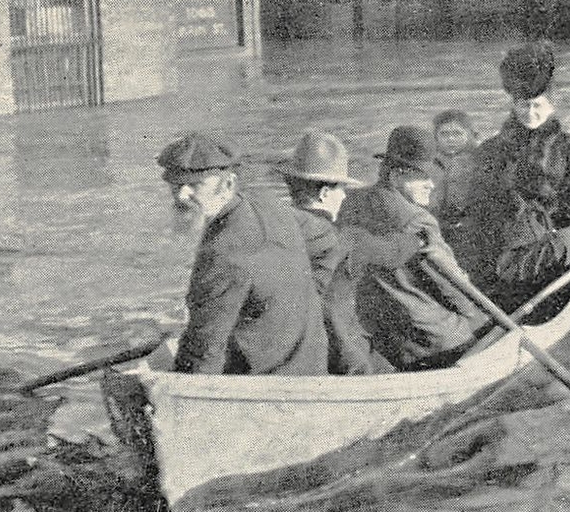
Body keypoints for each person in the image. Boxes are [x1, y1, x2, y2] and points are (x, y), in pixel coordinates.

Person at [449, 41, 570, 313]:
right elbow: (478, 199)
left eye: (537, 105)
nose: (530, 113)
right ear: (513, 104)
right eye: (522, 105)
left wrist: (546, 212)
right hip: (505, 235)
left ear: (551, 105)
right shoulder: (491, 150)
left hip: (550, 233)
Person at [158, 131, 328, 376]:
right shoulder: (267, 204)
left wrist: (177, 387)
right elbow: (326, 241)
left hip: (266, 385)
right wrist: (306, 299)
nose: (181, 195)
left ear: (228, 184)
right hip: (309, 362)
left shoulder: (223, 253)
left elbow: (203, 350)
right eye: (175, 185)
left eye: (195, 185)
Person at [337, 125, 486, 370]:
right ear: (396, 176)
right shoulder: (418, 220)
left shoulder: (350, 202)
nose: (432, 185)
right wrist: (478, 319)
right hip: (430, 341)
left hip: (379, 338)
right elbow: (453, 287)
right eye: (422, 177)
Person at [278, 131, 394, 375]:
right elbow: (333, 315)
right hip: (339, 353)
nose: (343, 195)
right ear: (324, 194)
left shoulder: (276, 228)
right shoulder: (340, 239)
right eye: (340, 188)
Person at [430, 108, 479, 234]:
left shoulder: (481, 161)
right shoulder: (428, 163)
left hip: (473, 225)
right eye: (444, 134)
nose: (451, 139)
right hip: (437, 225)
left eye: (457, 133)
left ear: (469, 134)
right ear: (435, 137)